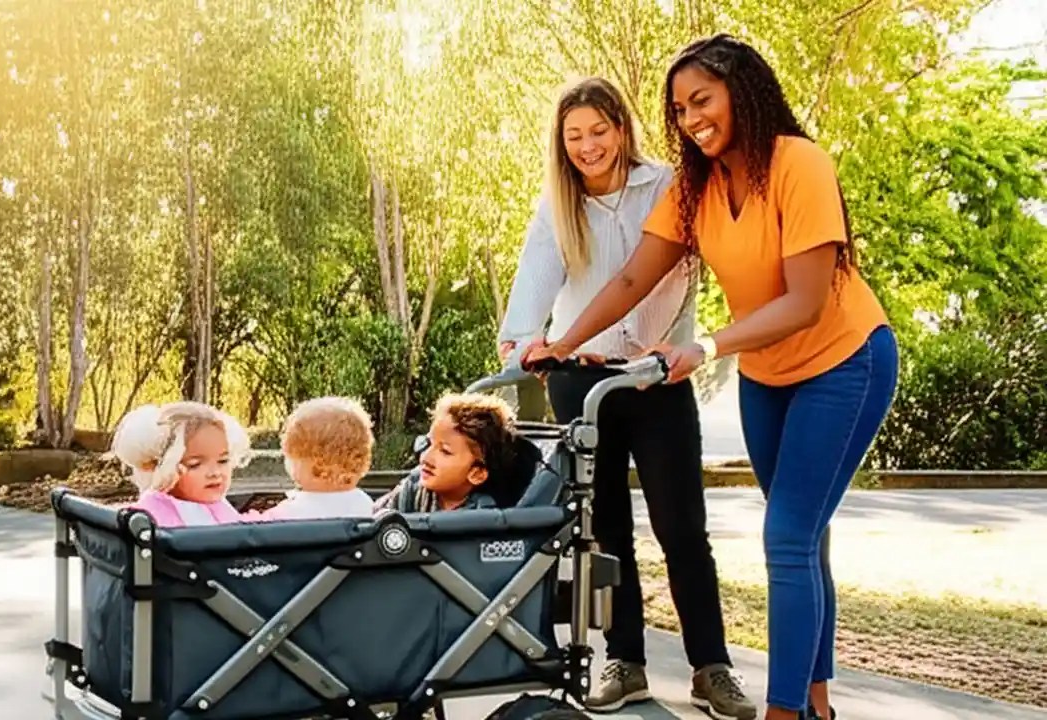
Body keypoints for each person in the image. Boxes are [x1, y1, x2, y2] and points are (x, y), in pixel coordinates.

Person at [526, 36, 898, 720]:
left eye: (703, 99)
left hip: (845, 360)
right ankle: (816, 702)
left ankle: (785, 710)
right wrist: (562, 344)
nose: (691, 118)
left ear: (742, 91)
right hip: (767, 373)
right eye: (680, 108)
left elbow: (806, 301)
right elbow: (634, 278)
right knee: (805, 537)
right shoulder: (697, 186)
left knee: (786, 537)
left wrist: (706, 346)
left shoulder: (799, 163)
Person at [499, 76, 752, 718]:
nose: (587, 146)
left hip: (656, 378)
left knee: (681, 528)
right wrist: (527, 346)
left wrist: (684, 343)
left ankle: (712, 667)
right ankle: (625, 660)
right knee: (606, 528)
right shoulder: (559, 206)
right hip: (583, 381)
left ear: (621, 127)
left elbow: (673, 272)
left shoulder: (669, 186)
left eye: (598, 131)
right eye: (574, 136)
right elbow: (532, 289)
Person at [373, 393, 534, 513]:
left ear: (476, 474)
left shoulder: (481, 513)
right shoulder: (414, 489)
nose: (425, 458)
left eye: (445, 451)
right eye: (429, 443)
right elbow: (375, 519)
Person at [113, 401, 252, 527]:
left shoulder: (219, 507)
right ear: (163, 467)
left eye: (223, 461)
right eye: (195, 464)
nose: (215, 473)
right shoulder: (150, 516)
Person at [243, 396, 377, 521]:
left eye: (292, 458)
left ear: (318, 466)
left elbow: (250, 530)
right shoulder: (366, 505)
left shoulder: (288, 512)